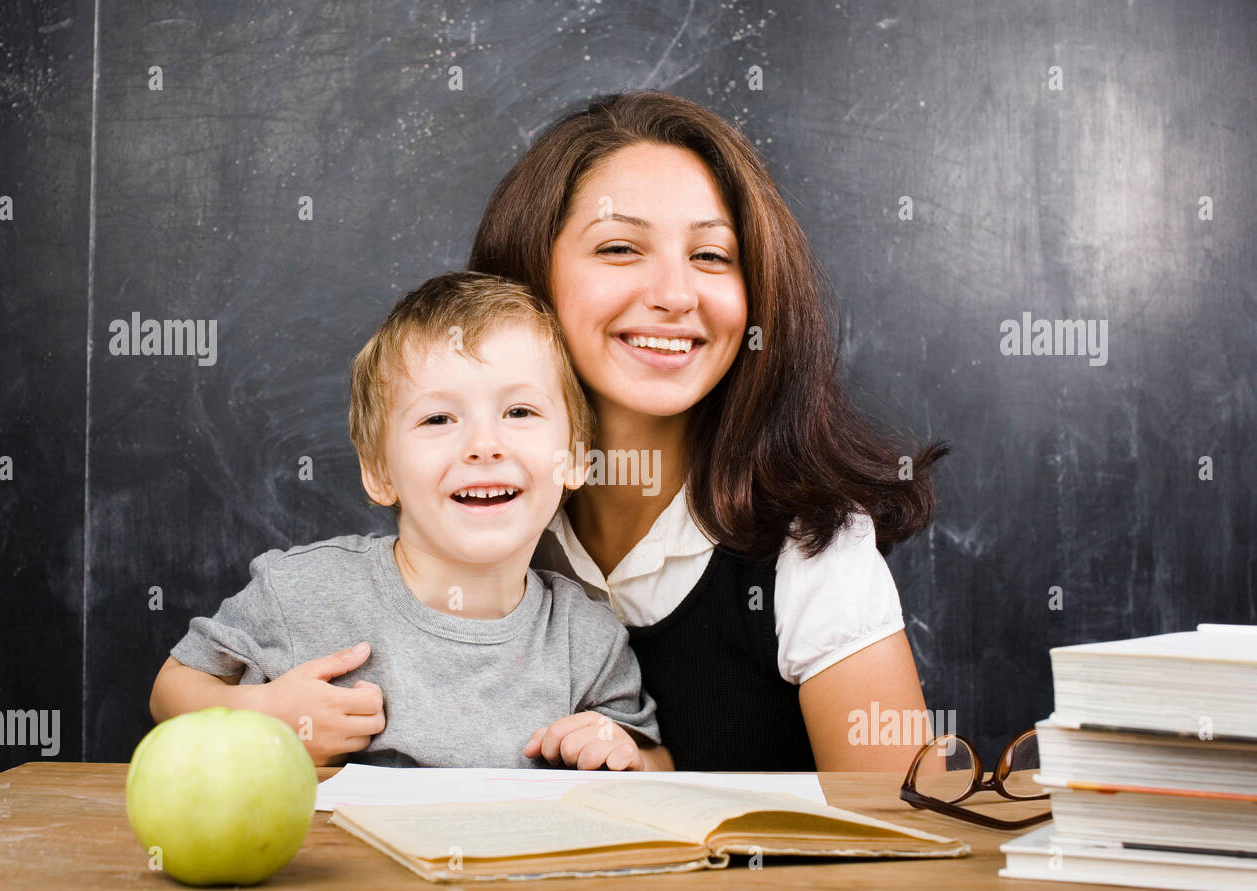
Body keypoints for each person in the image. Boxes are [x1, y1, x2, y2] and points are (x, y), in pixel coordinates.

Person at [468, 91, 950, 773]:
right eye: (618, 247)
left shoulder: (811, 553)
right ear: (525, 279)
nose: (675, 294)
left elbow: (905, 838)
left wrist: (664, 792)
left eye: (713, 256)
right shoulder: (478, 520)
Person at [148, 272, 668, 771]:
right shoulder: (304, 591)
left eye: (520, 413)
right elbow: (171, 690)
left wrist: (622, 754)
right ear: (379, 472)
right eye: (438, 419)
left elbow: (656, 764)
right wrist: (267, 715)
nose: (484, 446)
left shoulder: (586, 638)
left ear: (576, 457)